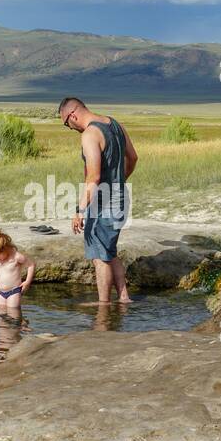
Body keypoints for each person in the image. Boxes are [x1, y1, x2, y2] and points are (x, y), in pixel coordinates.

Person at [56, 97, 138, 303]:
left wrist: (79, 211)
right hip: (120, 198)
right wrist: (119, 182)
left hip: (103, 204)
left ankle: (103, 310)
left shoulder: (90, 134)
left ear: (72, 115)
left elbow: (93, 178)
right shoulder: (114, 123)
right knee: (109, 251)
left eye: (66, 124)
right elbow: (133, 158)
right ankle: (124, 298)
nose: (69, 127)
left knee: (99, 258)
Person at [0, 229, 34, 311]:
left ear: (4, 248)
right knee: (1, 317)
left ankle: (21, 324)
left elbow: (31, 265)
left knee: (14, 314)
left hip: (13, 292)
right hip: (1, 293)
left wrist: (27, 282)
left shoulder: (16, 257)